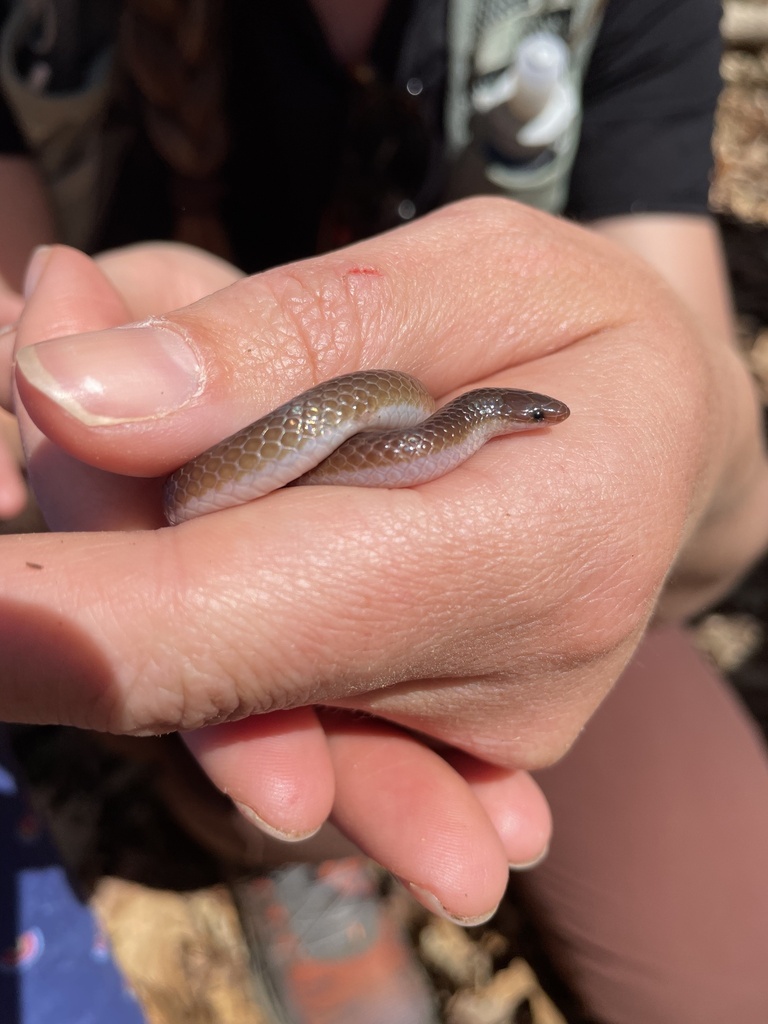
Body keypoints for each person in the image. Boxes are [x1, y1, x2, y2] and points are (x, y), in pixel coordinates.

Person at [2, 0, 768, 1021]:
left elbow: (726, 529)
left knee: (734, 980)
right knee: (253, 741)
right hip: (145, 532)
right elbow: (25, 325)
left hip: (535, 582)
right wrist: (57, 412)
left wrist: (688, 435)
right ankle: (291, 855)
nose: (538, 421)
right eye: (530, 417)